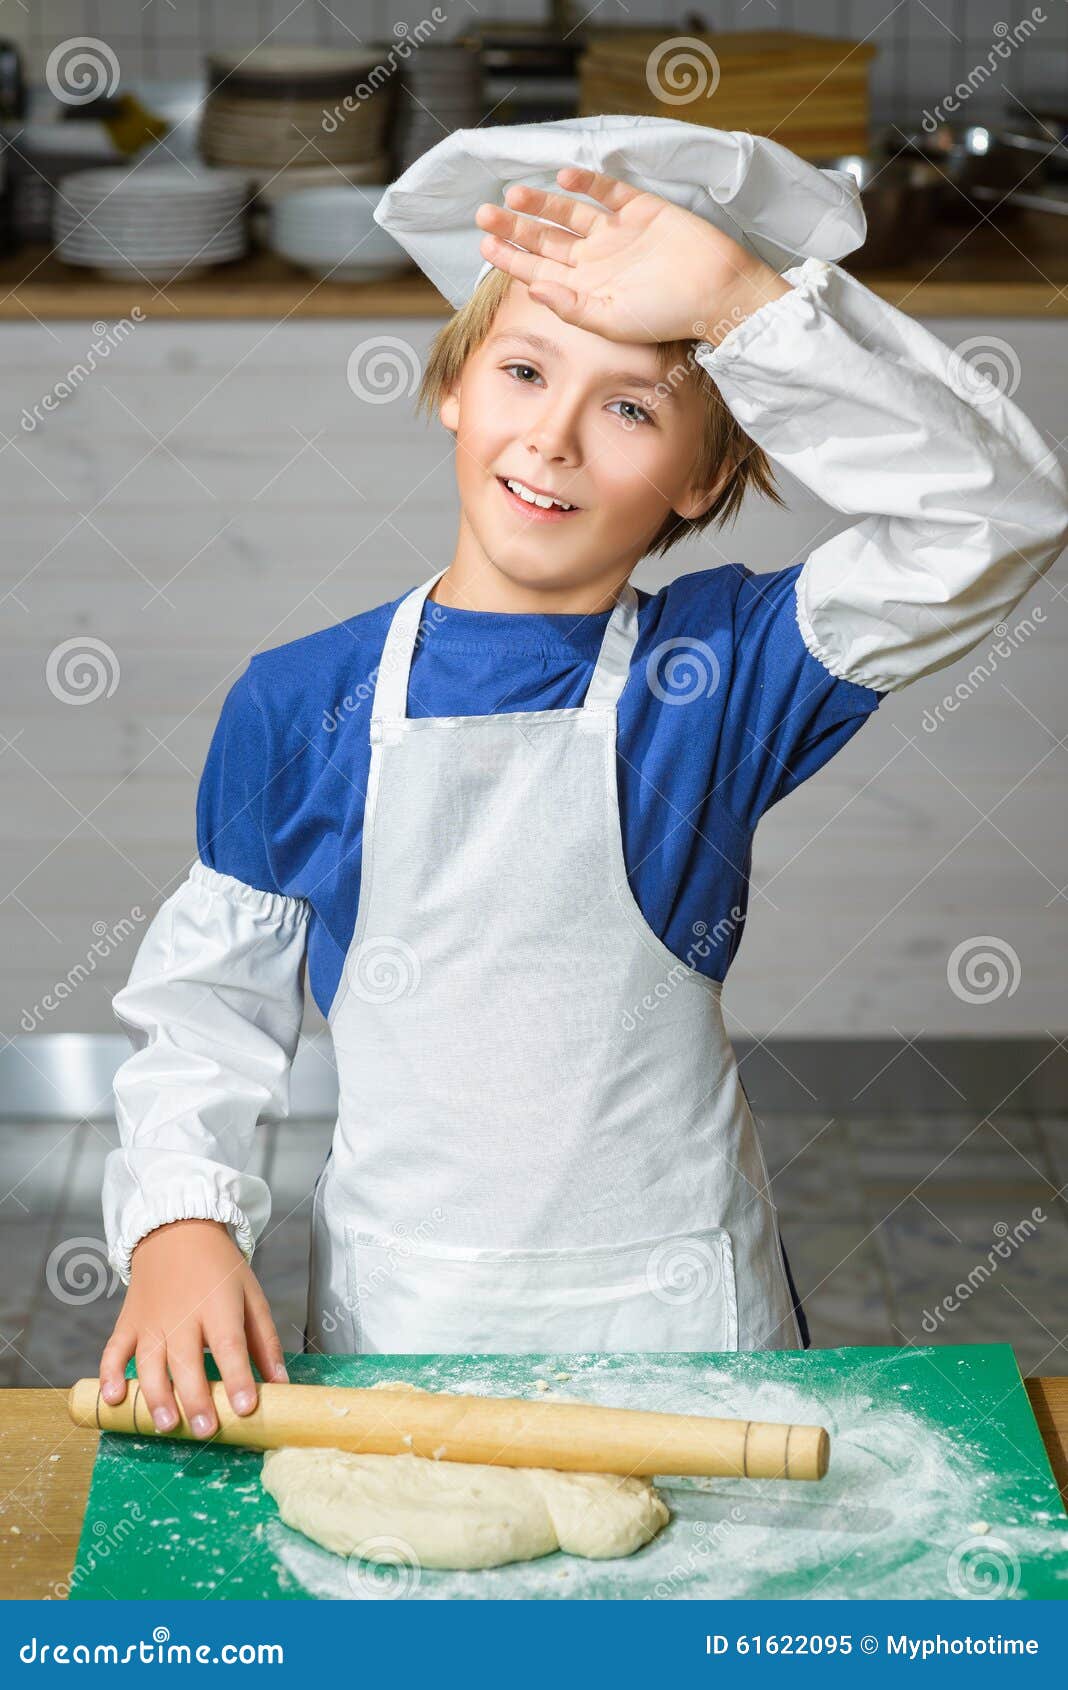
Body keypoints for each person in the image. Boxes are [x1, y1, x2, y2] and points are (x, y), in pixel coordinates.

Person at [96, 118, 1067, 1441]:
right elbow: (209, 1008)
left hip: (686, 1348)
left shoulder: (720, 675)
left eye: (628, 406)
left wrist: (739, 302)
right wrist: (180, 1217)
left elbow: (997, 516)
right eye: (523, 368)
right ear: (453, 383)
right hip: (409, 1337)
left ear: (706, 473)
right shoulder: (296, 703)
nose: (551, 440)